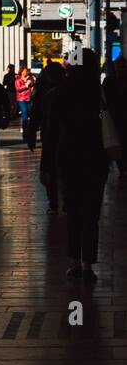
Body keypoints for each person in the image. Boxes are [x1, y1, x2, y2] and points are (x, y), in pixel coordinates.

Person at [52, 48, 110, 280]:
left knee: (73, 211)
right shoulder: (99, 91)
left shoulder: (62, 91)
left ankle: (75, 261)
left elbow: (52, 130)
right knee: (91, 213)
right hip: (95, 158)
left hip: (69, 157)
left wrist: (49, 163)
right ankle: (88, 264)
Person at [34, 61, 65, 213]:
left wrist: (32, 133)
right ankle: (66, 202)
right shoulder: (70, 90)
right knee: (64, 170)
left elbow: (36, 114)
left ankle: (53, 203)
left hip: (49, 137)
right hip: (67, 137)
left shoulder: (43, 91)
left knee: (50, 170)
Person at [15, 65, 36, 149]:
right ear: (21, 71)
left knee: (30, 115)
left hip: (29, 99)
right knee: (24, 114)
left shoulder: (29, 78)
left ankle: (28, 130)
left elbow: (33, 86)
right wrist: (26, 85)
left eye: (27, 71)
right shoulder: (18, 79)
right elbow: (18, 89)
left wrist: (31, 82)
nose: (26, 72)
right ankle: (25, 132)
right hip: (22, 99)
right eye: (25, 71)